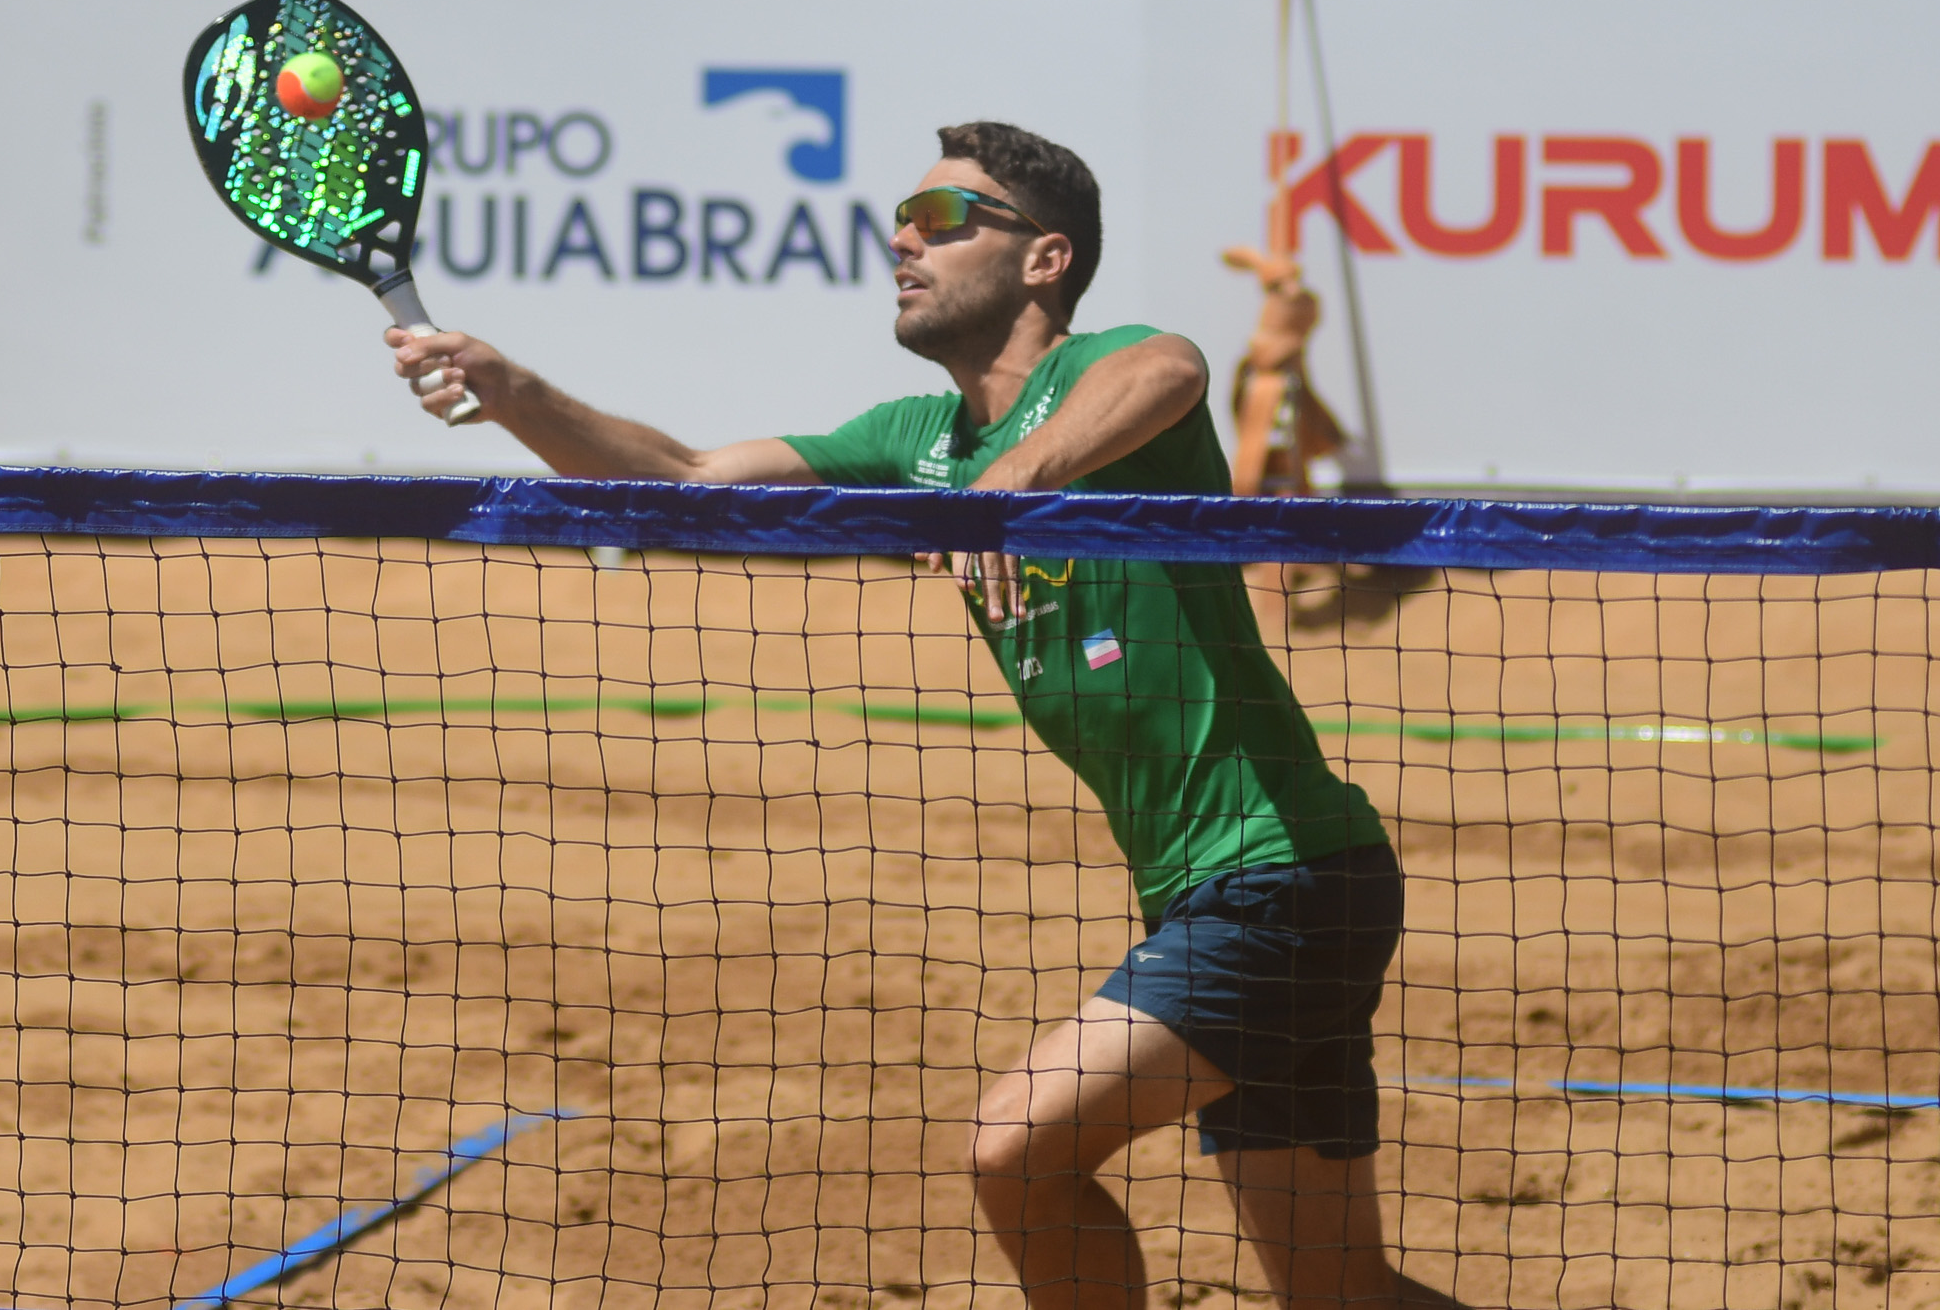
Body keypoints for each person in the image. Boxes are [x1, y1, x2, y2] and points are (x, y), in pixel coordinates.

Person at [388, 121, 1449, 1310]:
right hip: (1241, 883)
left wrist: (1014, 481)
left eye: (944, 218)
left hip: (1283, 877)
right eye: (901, 218)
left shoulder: (1108, 378)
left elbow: (1174, 370)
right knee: (1340, 1293)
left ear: (1043, 258)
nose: (903, 237)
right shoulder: (917, 444)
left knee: (1015, 1146)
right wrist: (512, 386)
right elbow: (683, 482)